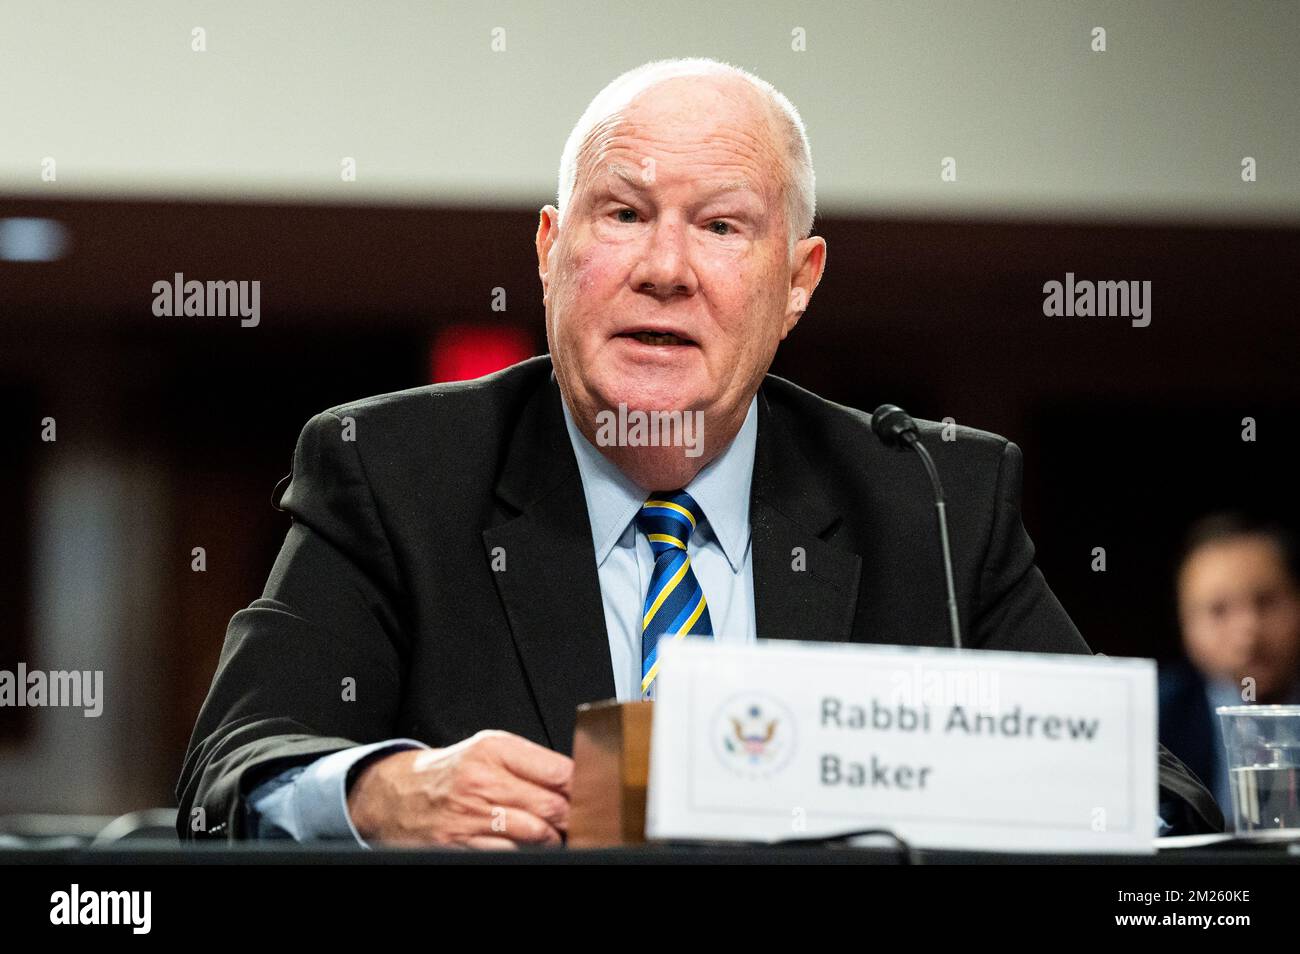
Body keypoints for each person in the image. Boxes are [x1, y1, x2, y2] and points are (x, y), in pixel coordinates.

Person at [176, 57, 1221, 847]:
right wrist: (379, 793)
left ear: (798, 281)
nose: (666, 269)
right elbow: (231, 771)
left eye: (722, 227)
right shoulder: (393, 472)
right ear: (549, 252)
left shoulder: (930, 500)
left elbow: (1157, 799)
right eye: (624, 213)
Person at [1160, 513, 1300, 818]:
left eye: (1266, 601)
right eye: (1218, 610)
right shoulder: (1154, 721)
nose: (1248, 629)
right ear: (1186, 625)